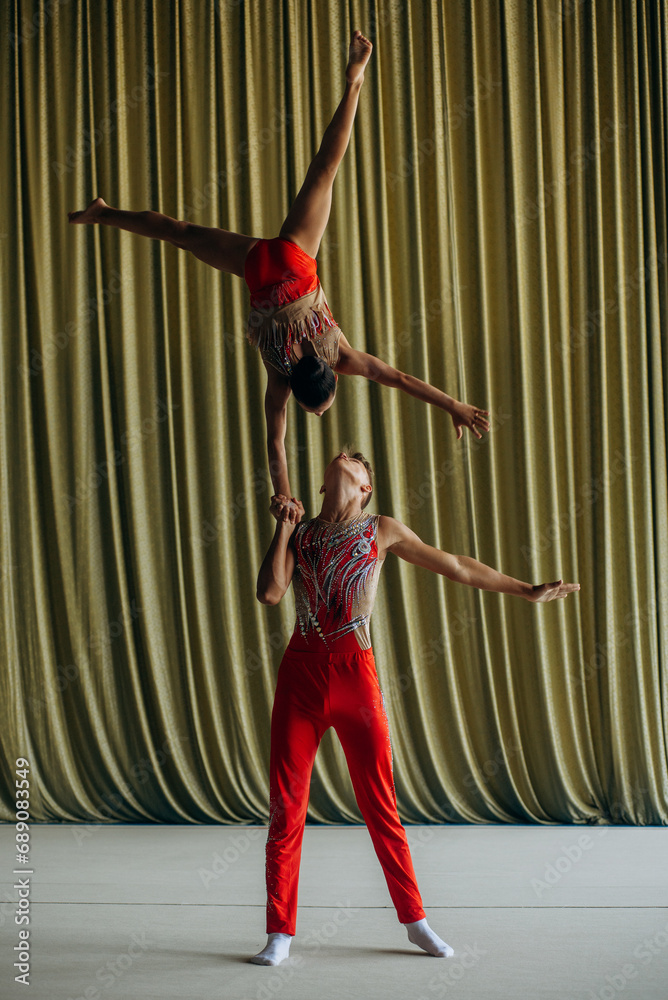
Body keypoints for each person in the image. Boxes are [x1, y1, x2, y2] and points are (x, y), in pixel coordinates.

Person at [68, 30, 491, 503]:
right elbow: (275, 442)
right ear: (314, 379)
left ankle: (354, 82)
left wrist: (453, 403)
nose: (319, 413)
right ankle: (101, 214)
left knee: (324, 170)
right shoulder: (279, 375)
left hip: (293, 257)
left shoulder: (341, 358)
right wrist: (285, 496)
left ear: (330, 372)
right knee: (181, 236)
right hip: (258, 270)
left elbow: (400, 379)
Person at [251, 450, 580, 965]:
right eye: (340, 457)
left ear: (365, 489)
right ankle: (279, 932)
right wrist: (284, 529)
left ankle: (415, 921)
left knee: (381, 805)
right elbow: (270, 593)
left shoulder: (380, 529)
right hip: (301, 677)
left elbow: (455, 565)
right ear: (321, 486)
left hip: (355, 675)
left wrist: (524, 590)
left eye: (357, 462)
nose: (346, 458)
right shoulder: (303, 530)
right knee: (286, 807)